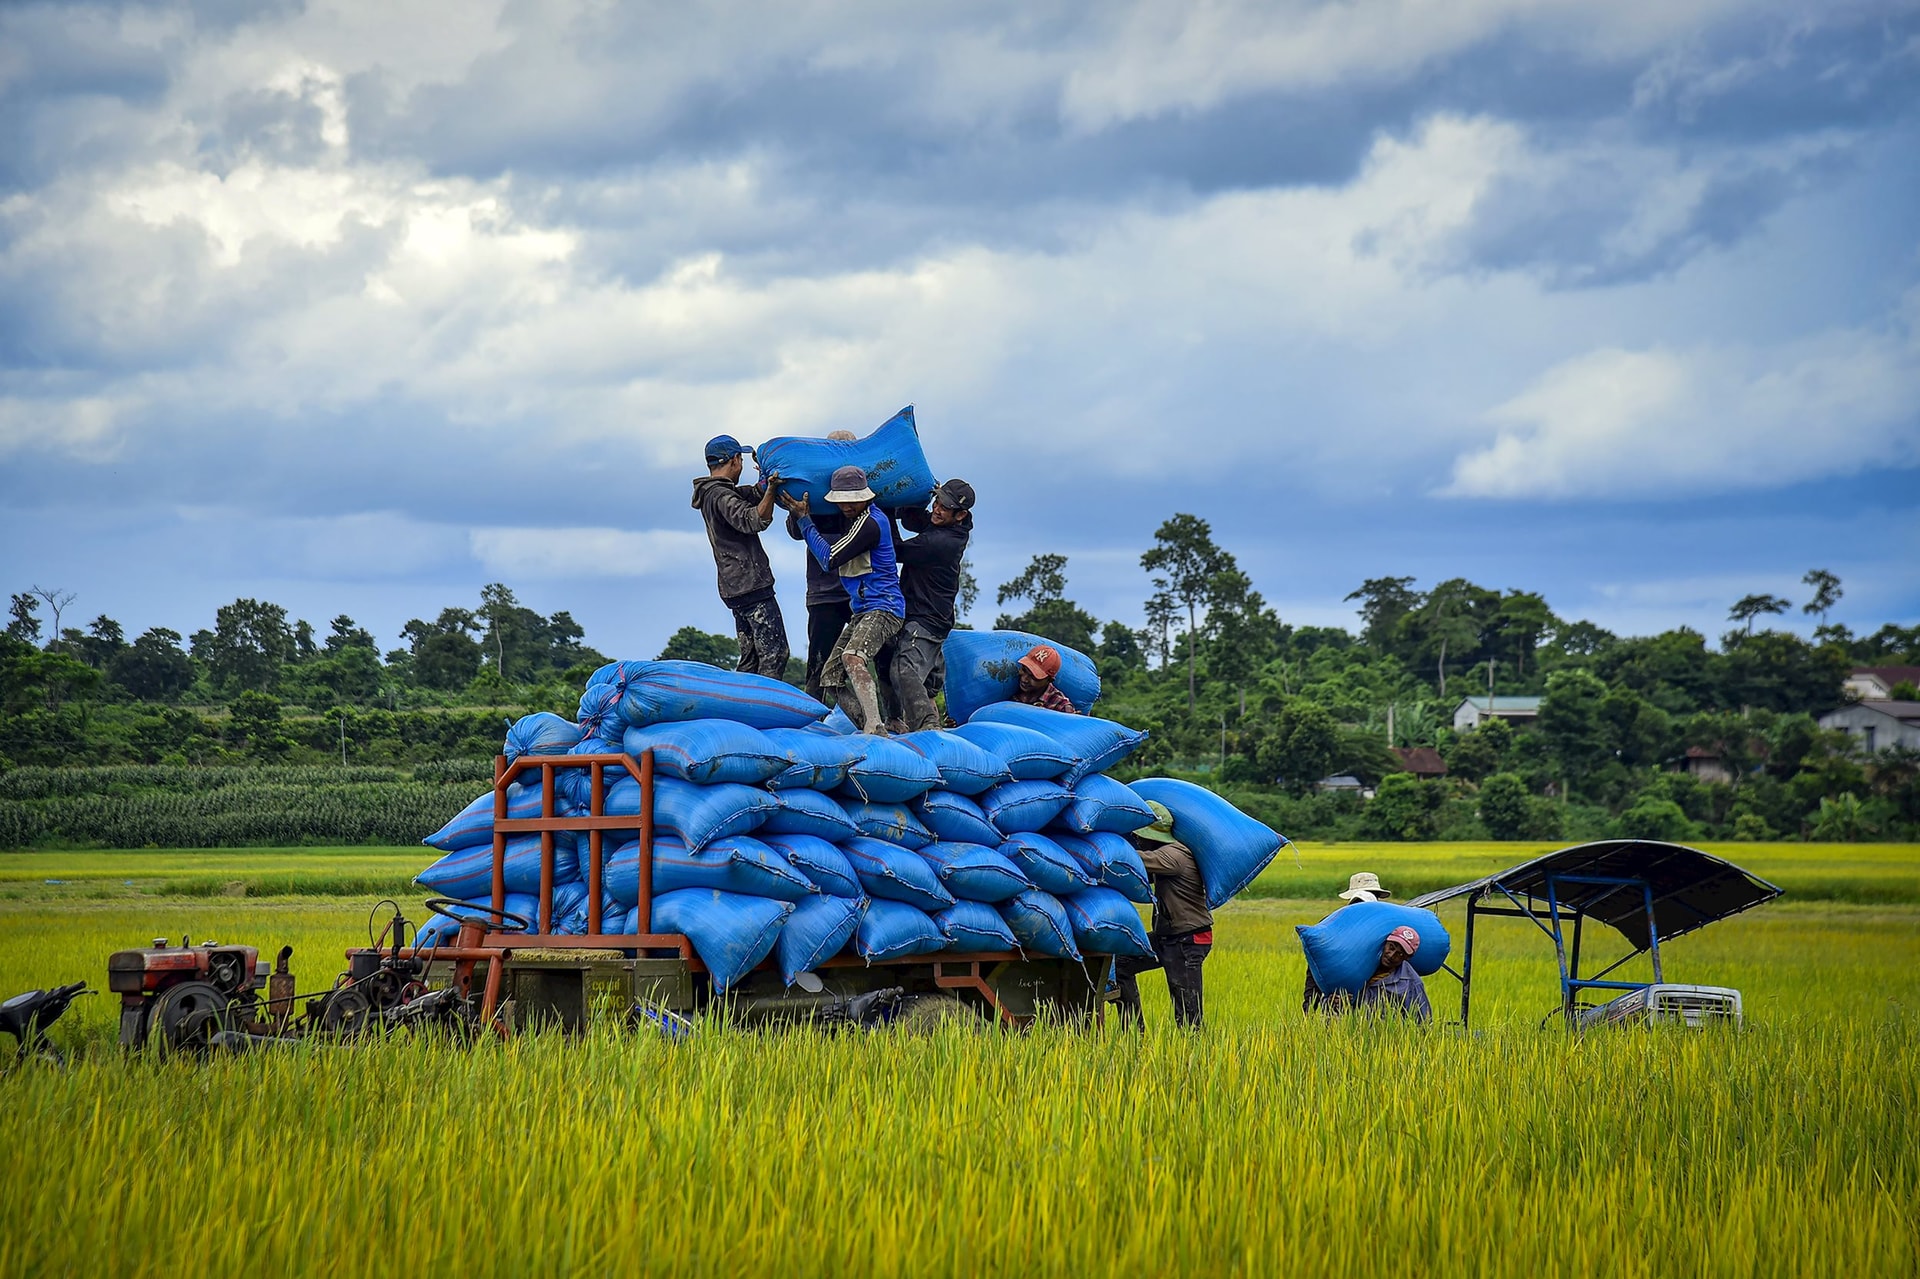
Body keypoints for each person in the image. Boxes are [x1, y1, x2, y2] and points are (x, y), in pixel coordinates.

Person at [788, 465, 905, 733]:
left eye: (852, 501)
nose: (847, 507)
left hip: (884, 607)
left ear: (866, 497)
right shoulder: (857, 521)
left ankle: (876, 725)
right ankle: (866, 722)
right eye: (842, 502)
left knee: (853, 657)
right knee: (830, 675)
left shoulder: (871, 522)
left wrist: (805, 521)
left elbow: (830, 558)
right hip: (863, 610)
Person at [691, 435, 788, 679]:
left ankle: (742, 705)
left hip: (734, 587)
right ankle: (763, 710)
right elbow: (755, 519)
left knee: (751, 658)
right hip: (751, 585)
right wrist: (774, 489)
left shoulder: (715, 493)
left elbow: (753, 494)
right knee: (774, 654)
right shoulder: (722, 496)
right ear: (735, 460)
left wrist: (765, 483)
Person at [885, 478, 975, 731]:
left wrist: (884, 511)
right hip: (934, 617)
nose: (936, 509)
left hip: (925, 619)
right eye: (937, 502)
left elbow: (895, 549)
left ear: (961, 515)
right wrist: (905, 498)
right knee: (923, 685)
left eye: (944, 507)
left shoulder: (941, 543)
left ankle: (928, 728)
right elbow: (914, 521)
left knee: (903, 671)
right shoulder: (946, 528)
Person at [1112, 800, 1212, 1029]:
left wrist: (1108, 845)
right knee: (1119, 965)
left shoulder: (1173, 856)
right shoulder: (1164, 855)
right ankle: (1134, 1032)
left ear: (1152, 834)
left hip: (1187, 940)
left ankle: (1193, 1053)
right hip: (1167, 937)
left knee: (1188, 1011)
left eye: (1140, 835)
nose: (1137, 839)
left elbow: (1134, 860)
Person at [786, 431, 857, 703]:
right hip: (824, 592)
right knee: (818, 664)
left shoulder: (865, 492)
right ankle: (812, 719)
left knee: (879, 657)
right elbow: (795, 530)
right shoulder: (814, 490)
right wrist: (802, 513)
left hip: (859, 592)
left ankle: (890, 718)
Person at [1301, 871, 1393, 1008]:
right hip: (1338, 1002)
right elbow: (1316, 968)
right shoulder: (1331, 925)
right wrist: (1311, 1005)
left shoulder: (1387, 927)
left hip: (1375, 1001)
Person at [1305, 926, 1432, 1022]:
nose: (1392, 955)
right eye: (1391, 947)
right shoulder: (1357, 966)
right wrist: (1333, 1003)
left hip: (1384, 1043)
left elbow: (1423, 1022)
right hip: (1349, 1037)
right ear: (1384, 944)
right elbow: (1329, 1004)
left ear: (1407, 958)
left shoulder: (1410, 983)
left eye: (1400, 954)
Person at [1012, 644, 1077, 714]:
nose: (1024, 679)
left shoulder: (1061, 706)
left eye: (1033, 677)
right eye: (1024, 670)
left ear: (1049, 680)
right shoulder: (1010, 687)